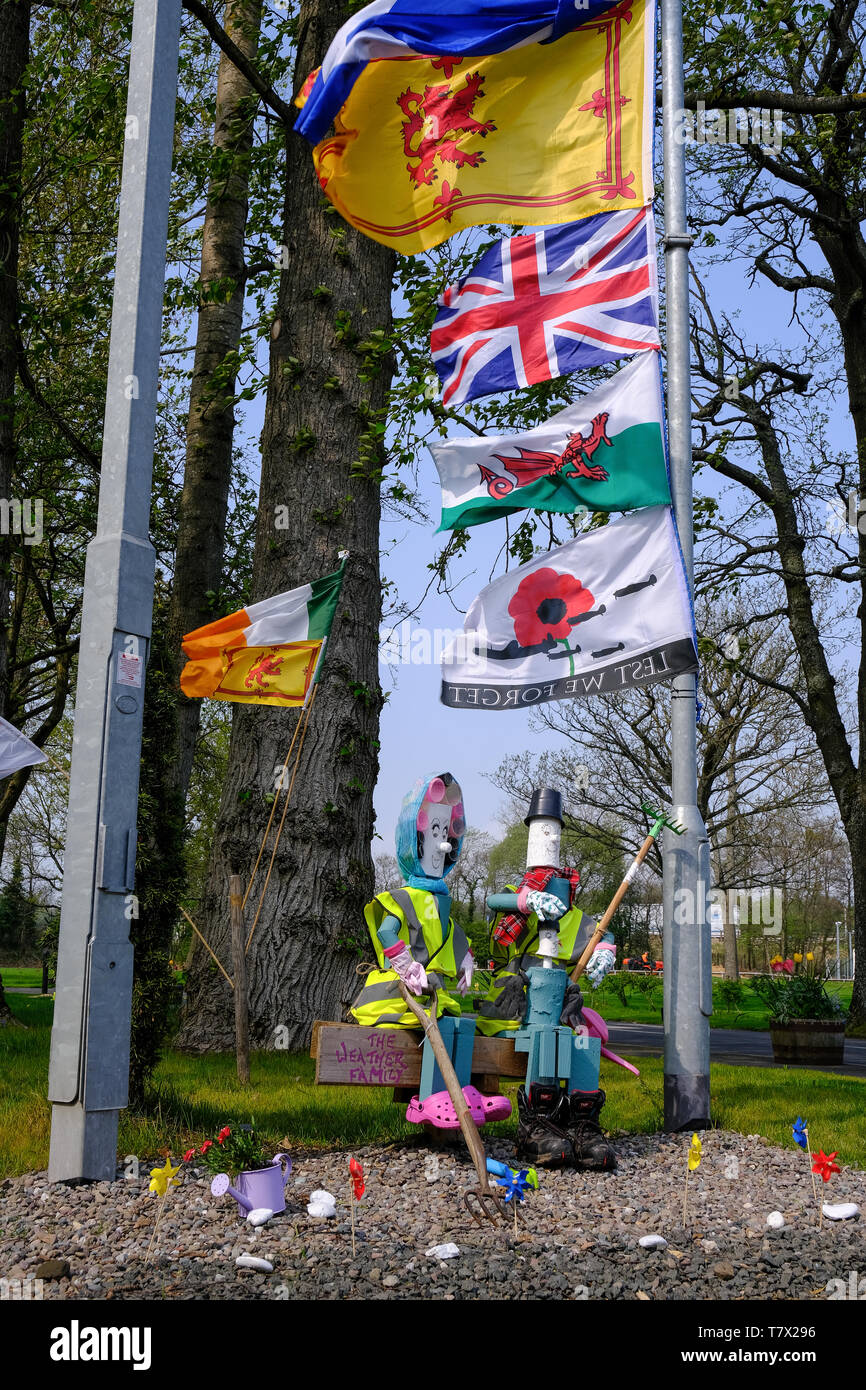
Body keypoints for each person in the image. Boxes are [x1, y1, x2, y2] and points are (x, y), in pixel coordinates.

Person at [351, 771, 510, 1127]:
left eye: (446, 834)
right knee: (433, 1028)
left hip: (433, 992)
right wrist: (406, 966)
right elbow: (387, 932)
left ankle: (463, 1094)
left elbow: (448, 933)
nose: (443, 845)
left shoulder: (442, 903)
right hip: (401, 991)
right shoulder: (402, 898)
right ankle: (428, 1100)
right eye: (433, 833)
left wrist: (466, 957)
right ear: (414, 840)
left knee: (461, 1027)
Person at [478, 788, 621, 1170]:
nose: (550, 839)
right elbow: (494, 904)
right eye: (545, 832)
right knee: (544, 1039)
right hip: (513, 1008)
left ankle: (581, 1126)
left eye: (555, 832)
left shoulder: (573, 918)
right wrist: (526, 902)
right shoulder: (520, 900)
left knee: (583, 1044)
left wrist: (605, 950)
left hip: (560, 1012)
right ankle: (534, 1129)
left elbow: (601, 932)